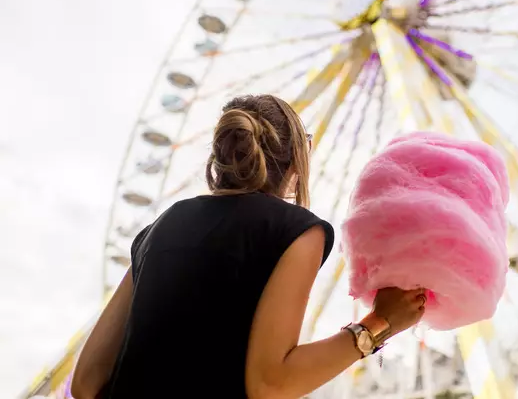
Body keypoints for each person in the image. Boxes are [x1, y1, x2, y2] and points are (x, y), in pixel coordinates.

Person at [71, 94, 427, 399]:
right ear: (297, 159)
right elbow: (270, 384)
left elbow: (86, 382)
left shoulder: (157, 229)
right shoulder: (296, 230)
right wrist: (381, 323)